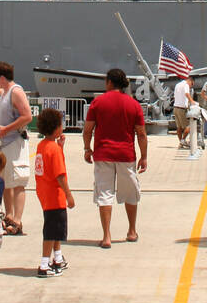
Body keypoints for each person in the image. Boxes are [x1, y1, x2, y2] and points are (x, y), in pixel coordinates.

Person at [83, 68, 147, 248]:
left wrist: (87, 149)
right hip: (126, 155)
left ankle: (106, 236)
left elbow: (88, 130)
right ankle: (132, 231)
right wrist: (144, 157)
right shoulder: (133, 104)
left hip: (103, 154)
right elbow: (141, 134)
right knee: (130, 193)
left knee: (104, 194)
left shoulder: (98, 102)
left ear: (109, 82)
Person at [0, 61, 32, 235]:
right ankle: (9, 216)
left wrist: (6, 129)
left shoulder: (16, 92)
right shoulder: (5, 92)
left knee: (18, 182)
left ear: (1, 77)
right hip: (4, 144)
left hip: (15, 142)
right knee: (6, 182)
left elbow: (27, 116)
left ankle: (18, 220)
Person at [34, 106, 74, 276]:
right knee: (51, 231)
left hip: (44, 193)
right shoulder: (54, 149)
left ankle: (57, 257)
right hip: (54, 195)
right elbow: (60, 175)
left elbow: (51, 166)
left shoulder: (43, 145)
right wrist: (69, 195)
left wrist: (61, 147)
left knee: (56, 229)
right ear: (55, 127)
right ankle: (44, 264)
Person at [173, 75, 191, 148]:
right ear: (190, 81)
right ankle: (183, 140)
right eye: (192, 84)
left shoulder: (177, 85)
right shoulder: (186, 85)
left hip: (175, 108)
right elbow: (187, 94)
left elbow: (174, 96)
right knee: (189, 126)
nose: (191, 86)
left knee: (179, 127)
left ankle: (181, 143)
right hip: (182, 109)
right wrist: (192, 101)